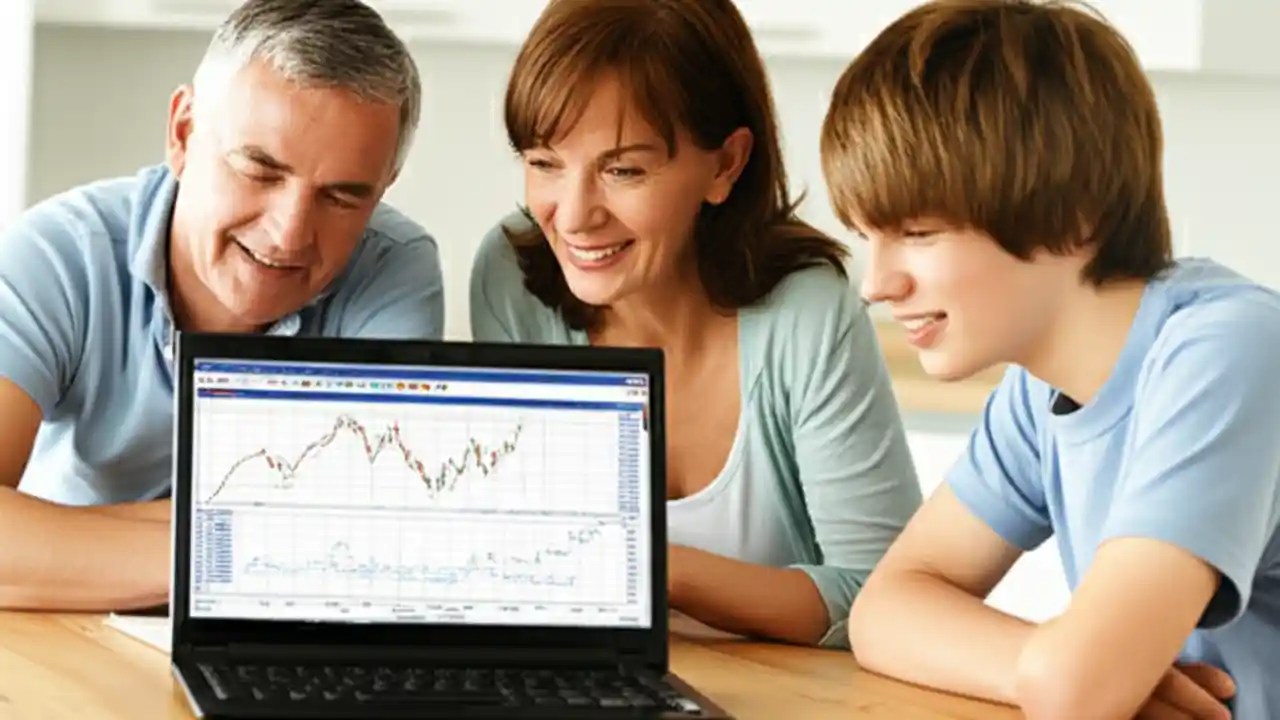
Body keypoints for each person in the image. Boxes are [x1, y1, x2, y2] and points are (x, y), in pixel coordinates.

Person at [822, 1, 1280, 717]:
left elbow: (1078, 690)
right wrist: (1050, 667)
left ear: (1075, 216)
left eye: (918, 232)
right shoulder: (1039, 392)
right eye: (866, 237)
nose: (877, 284)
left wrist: (1078, 674)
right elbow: (883, 610)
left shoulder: (1228, 351)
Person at [469, 0, 922, 649]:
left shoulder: (806, 312)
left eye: (623, 170)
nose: (572, 216)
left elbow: (882, 597)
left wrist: (658, 570)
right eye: (544, 163)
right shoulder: (513, 275)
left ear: (725, 164)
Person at [0, 0, 443, 612]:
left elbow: (374, 530)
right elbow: (332, 544)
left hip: (267, 641)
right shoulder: (56, 253)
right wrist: (249, 547)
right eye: (260, 171)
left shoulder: (394, 268)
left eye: (341, 197)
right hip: (70, 626)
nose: (289, 233)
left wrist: (72, 537)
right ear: (183, 133)